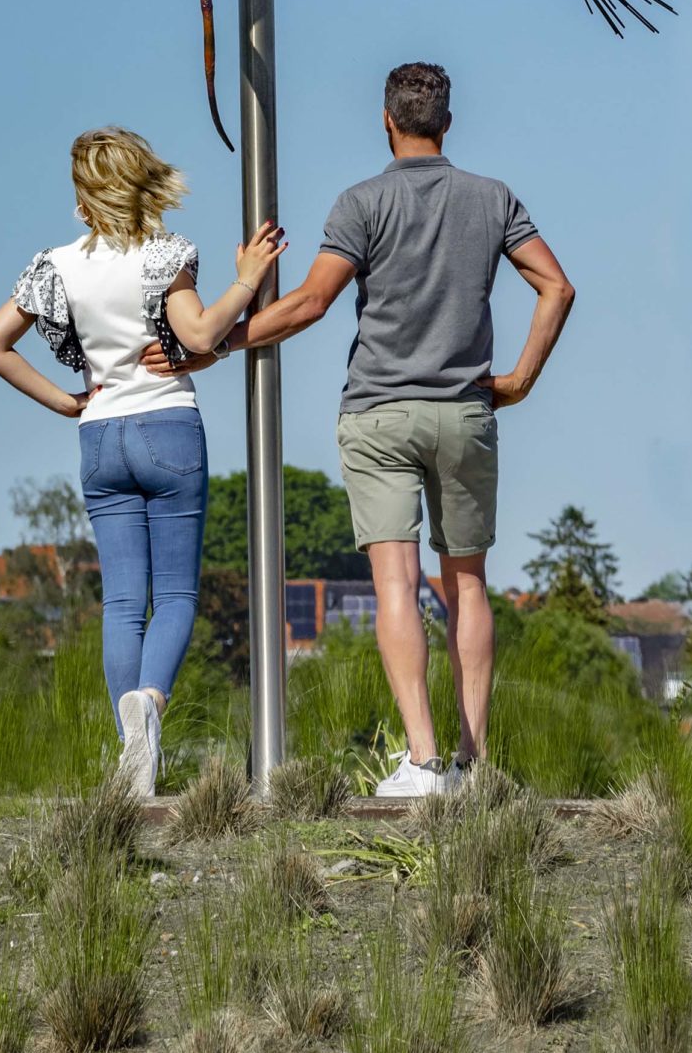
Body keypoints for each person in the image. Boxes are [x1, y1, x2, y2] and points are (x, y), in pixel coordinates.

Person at [199, 62, 575, 797]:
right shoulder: (492, 198)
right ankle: (473, 763)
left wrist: (222, 340)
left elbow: (310, 302)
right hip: (466, 411)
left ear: (384, 118)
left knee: (395, 583)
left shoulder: (361, 203)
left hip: (377, 413)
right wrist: (520, 380)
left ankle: (422, 762)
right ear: (447, 122)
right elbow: (555, 286)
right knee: (466, 584)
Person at [0, 126, 283, 798]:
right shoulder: (164, 254)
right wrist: (246, 280)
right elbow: (200, 334)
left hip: (99, 433)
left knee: (121, 603)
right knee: (173, 595)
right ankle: (149, 700)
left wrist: (64, 402)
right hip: (166, 423)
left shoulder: (54, 265)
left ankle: (132, 762)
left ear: (84, 193)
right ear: (143, 180)